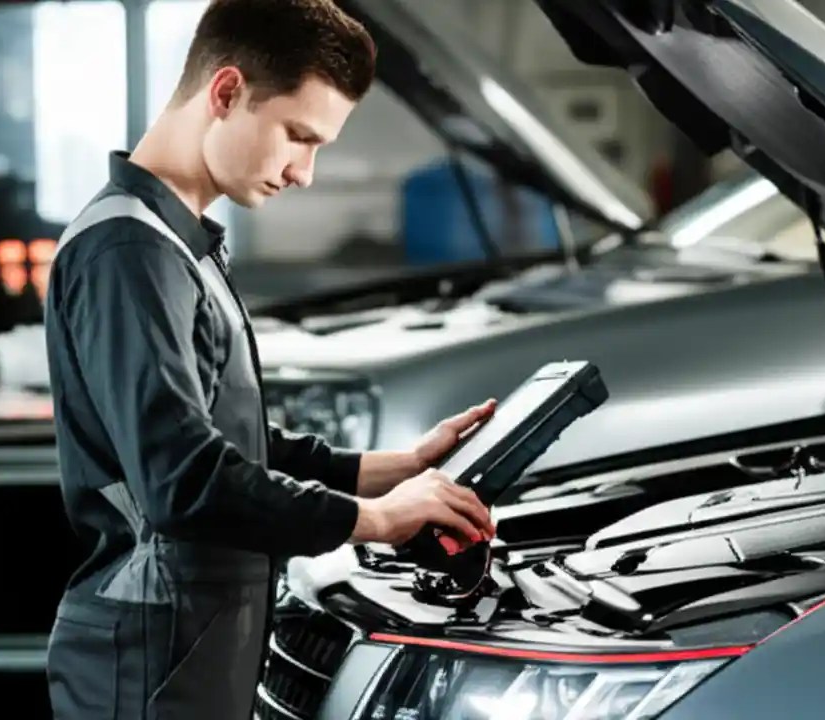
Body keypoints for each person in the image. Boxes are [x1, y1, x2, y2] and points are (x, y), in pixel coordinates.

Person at [41, 1, 497, 717]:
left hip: (188, 645)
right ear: (226, 92)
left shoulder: (176, 244)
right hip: (150, 663)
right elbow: (184, 480)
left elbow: (229, 443)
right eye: (299, 136)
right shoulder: (129, 253)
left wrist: (393, 469)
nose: (305, 172)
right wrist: (375, 519)